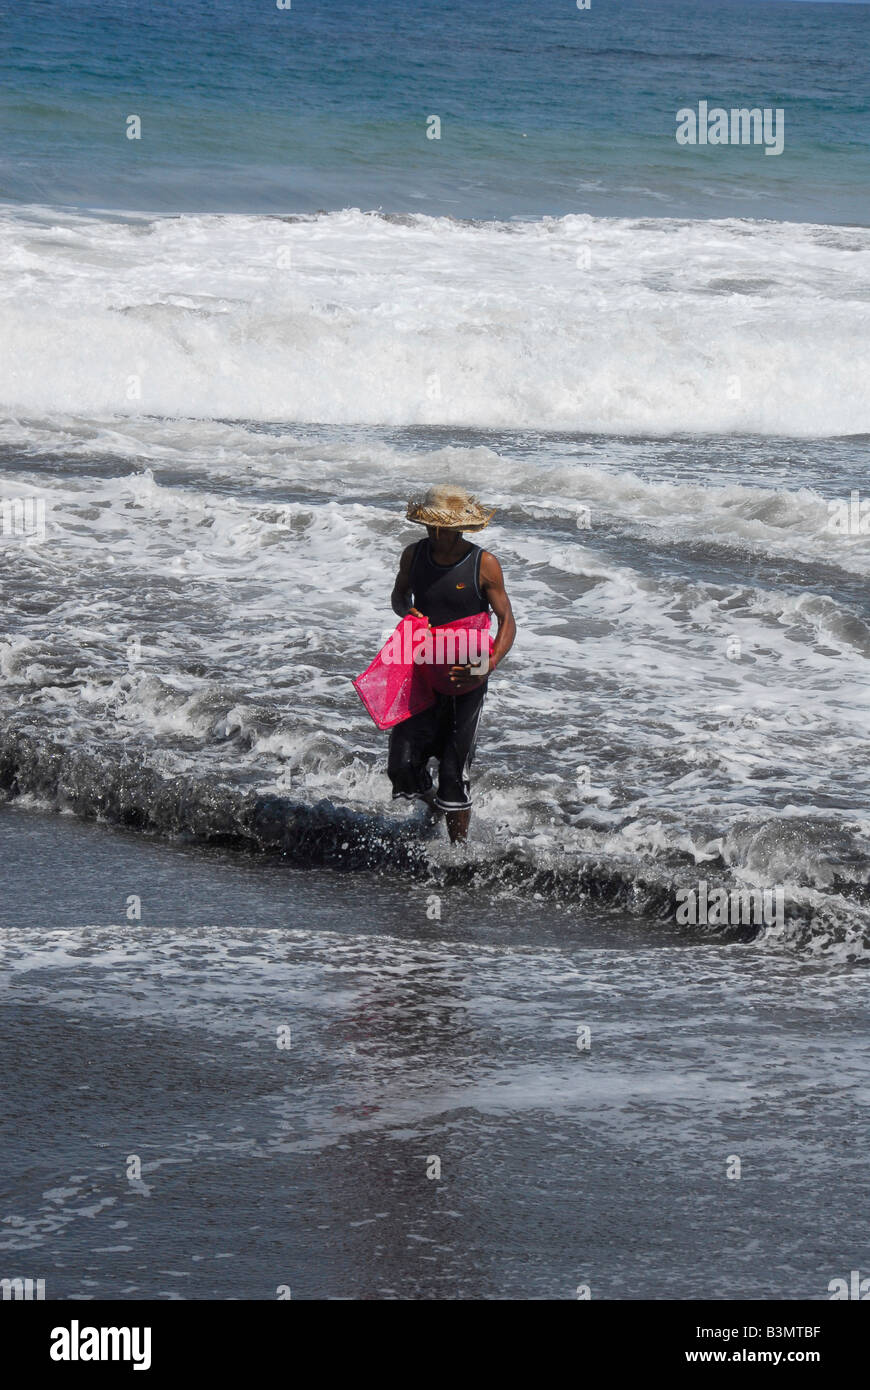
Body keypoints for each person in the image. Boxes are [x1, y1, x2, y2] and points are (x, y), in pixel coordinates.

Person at [388, 484, 516, 843]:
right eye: (428, 525)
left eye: (438, 526)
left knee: (453, 770)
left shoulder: (483, 563)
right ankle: (433, 808)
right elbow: (399, 597)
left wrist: (489, 663)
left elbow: (507, 620)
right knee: (401, 766)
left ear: (456, 527)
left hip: (467, 676)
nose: (432, 532)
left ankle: (459, 853)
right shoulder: (413, 556)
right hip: (422, 669)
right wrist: (405, 609)